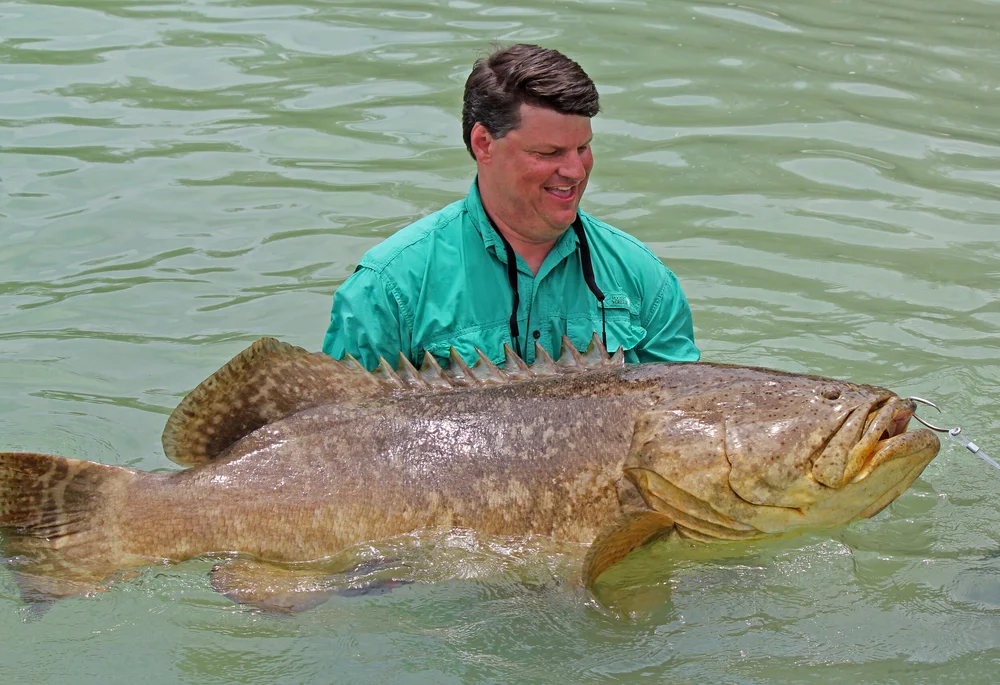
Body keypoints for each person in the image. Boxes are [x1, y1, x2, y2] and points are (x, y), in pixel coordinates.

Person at [323, 43, 700, 370]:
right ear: (484, 143)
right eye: (548, 152)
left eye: (582, 148)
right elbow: (329, 430)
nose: (574, 171)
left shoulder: (646, 280)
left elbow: (686, 413)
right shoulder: (389, 287)